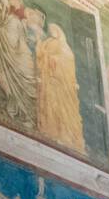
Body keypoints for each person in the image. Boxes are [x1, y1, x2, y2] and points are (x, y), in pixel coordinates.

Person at [35, 23, 85, 152]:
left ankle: (64, 134)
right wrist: (39, 46)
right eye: (50, 29)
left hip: (61, 84)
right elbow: (40, 56)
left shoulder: (63, 45)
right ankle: (50, 131)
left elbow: (67, 60)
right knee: (49, 105)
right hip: (48, 81)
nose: (51, 31)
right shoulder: (48, 42)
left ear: (59, 30)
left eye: (54, 29)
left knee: (61, 108)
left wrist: (53, 58)